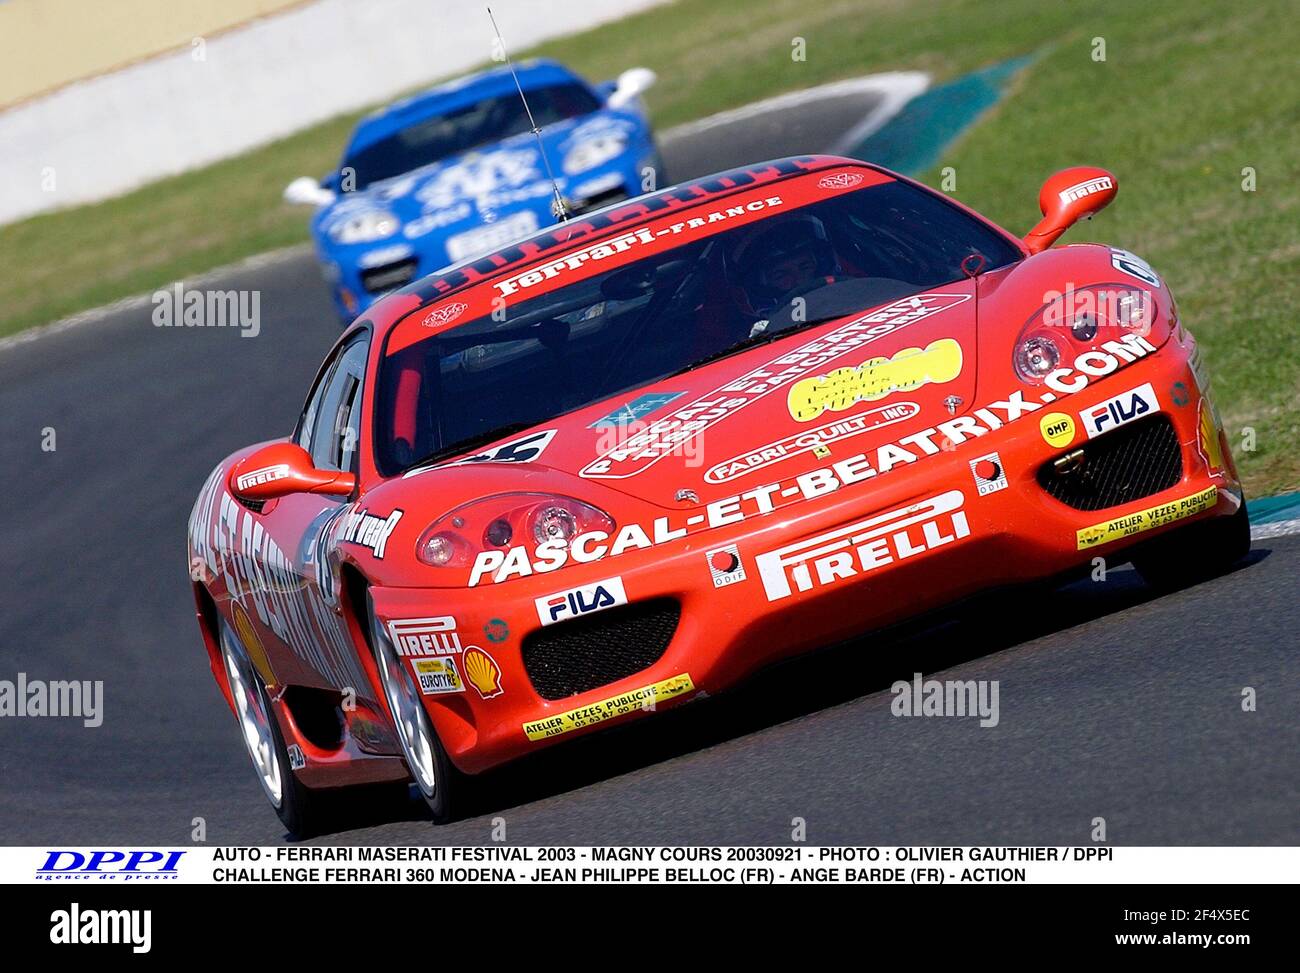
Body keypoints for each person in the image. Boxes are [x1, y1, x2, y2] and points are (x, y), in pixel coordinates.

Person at [729, 213, 842, 317]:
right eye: (781, 275)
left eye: (805, 267)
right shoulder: (761, 336)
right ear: (762, 288)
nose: (799, 280)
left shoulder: (853, 298)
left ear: (822, 266)